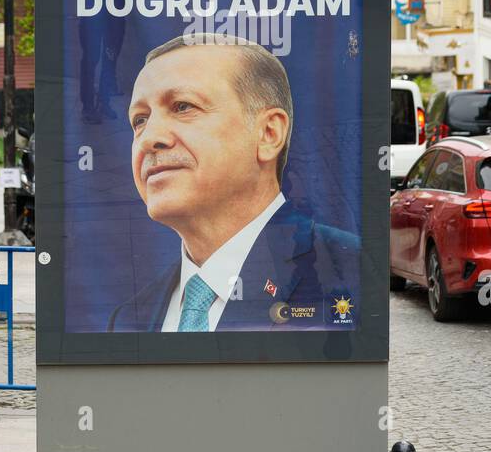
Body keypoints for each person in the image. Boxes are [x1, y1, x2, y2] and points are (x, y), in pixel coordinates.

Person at [108, 34, 359, 332]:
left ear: (268, 133)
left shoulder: (351, 269)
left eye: (183, 107)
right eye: (139, 120)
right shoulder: (128, 318)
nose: (149, 138)